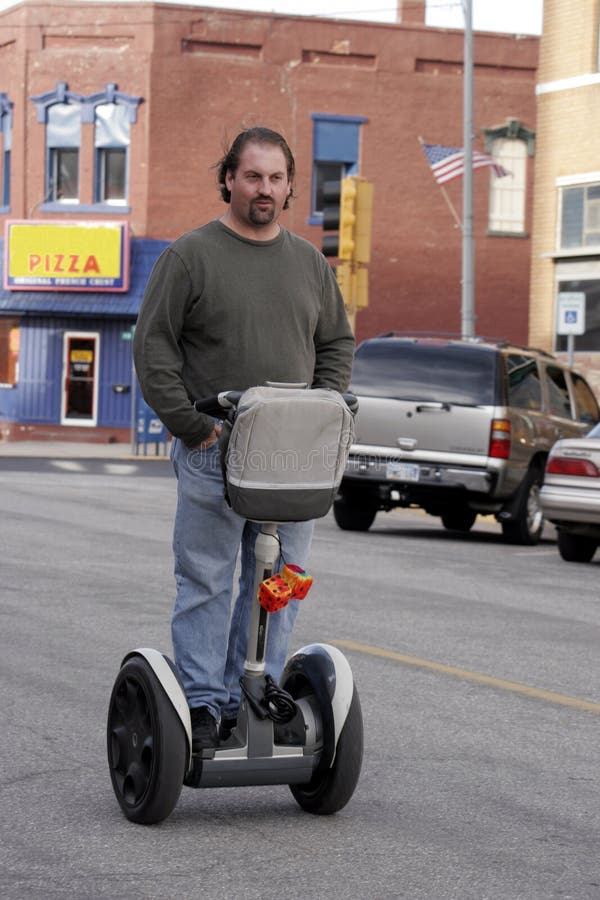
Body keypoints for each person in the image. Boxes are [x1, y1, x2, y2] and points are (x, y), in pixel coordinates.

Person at [133, 126, 355, 751]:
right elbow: (153, 351)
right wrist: (192, 426)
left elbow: (336, 343)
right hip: (216, 451)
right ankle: (204, 705)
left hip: (291, 458)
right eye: (252, 176)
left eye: (276, 178)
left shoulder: (309, 263)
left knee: (281, 579)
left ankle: (251, 693)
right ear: (228, 177)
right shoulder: (190, 256)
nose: (264, 189)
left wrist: (324, 406)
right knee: (205, 581)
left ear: (289, 186)